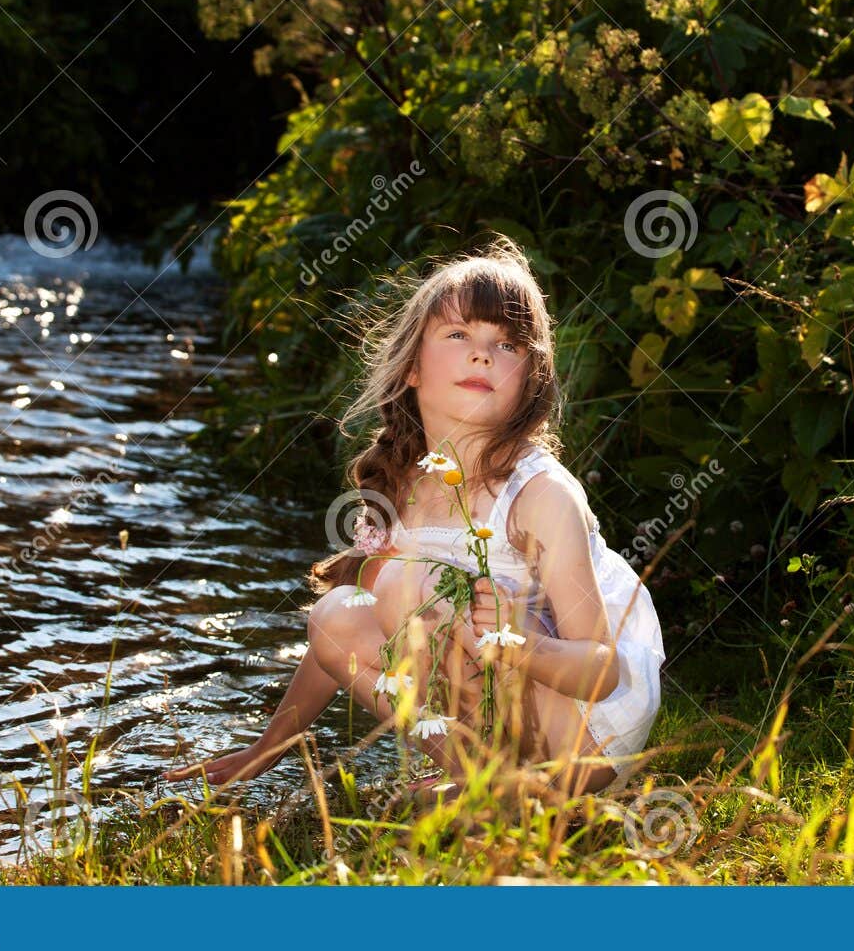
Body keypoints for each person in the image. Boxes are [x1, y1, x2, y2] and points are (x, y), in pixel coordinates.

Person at [163, 236, 664, 795]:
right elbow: (334, 644)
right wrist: (268, 748)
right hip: (510, 713)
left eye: (506, 344)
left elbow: (602, 671)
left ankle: (523, 789)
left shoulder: (541, 495)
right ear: (411, 369)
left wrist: (522, 641)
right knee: (334, 615)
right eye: (459, 334)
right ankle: (482, 779)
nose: (483, 354)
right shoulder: (400, 486)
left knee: (408, 583)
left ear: (529, 381)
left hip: (583, 738)